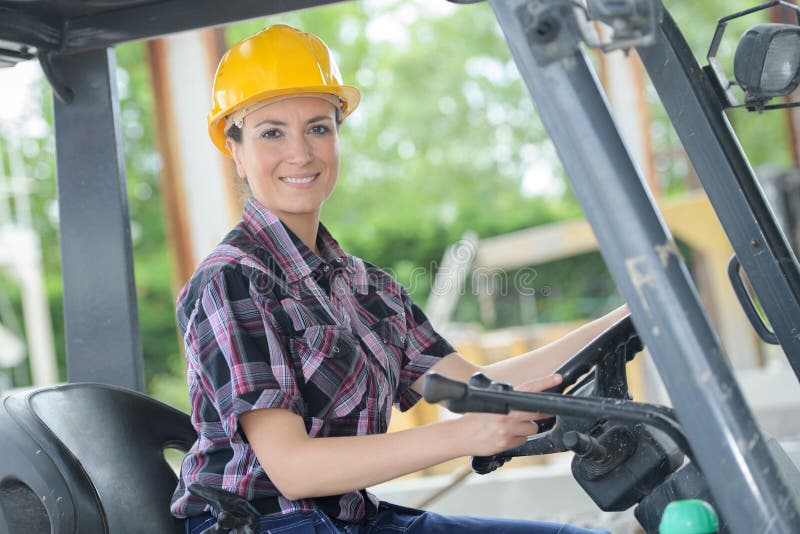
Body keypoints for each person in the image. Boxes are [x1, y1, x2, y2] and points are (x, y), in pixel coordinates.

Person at [170, 24, 626, 534]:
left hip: (354, 520)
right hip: (265, 525)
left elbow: (477, 385)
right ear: (235, 149)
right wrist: (464, 437)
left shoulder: (368, 288)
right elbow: (292, 469)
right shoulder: (232, 281)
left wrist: (639, 316)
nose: (300, 153)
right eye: (271, 132)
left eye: (318, 128)